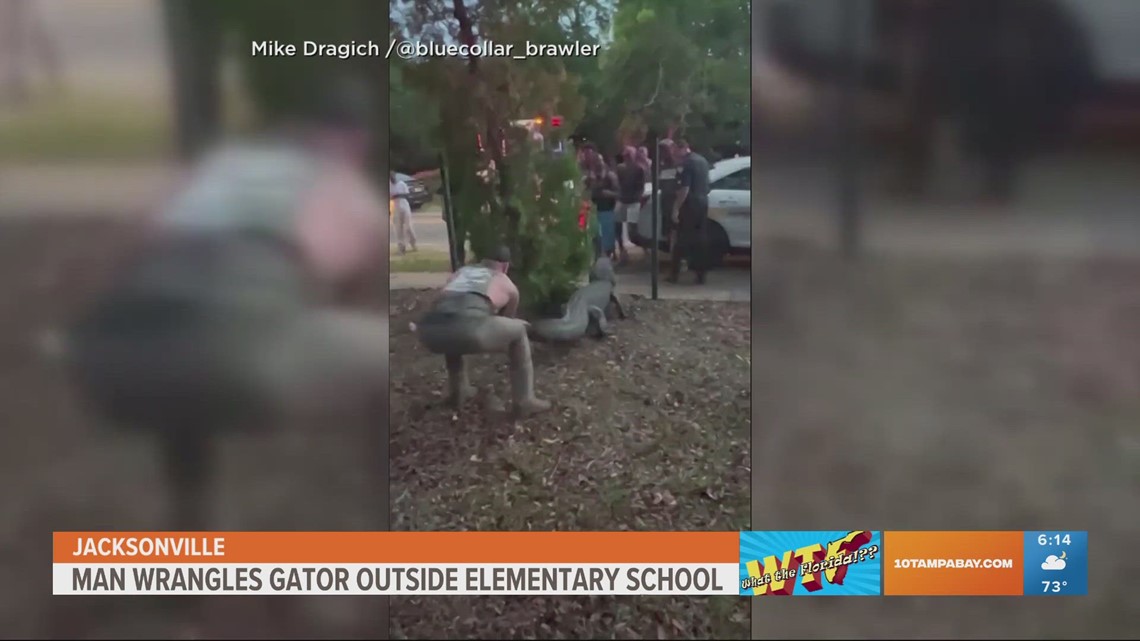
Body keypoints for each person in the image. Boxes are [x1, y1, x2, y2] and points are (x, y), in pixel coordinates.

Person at [64, 77, 390, 531]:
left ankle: (189, 523)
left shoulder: (223, 165)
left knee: (180, 359)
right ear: (356, 140)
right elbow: (344, 283)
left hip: (113, 361)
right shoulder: (343, 183)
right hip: (238, 352)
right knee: (385, 351)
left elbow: (134, 240)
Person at [412, 245, 551, 417]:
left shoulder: (461, 272)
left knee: (453, 322)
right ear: (505, 266)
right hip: (469, 329)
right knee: (519, 331)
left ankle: (458, 392)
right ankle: (525, 400)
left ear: (482, 262)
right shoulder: (505, 281)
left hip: (430, 331)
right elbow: (508, 321)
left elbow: (441, 300)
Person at [667, 139, 712, 285]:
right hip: (702, 202)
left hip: (689, 205)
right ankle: (701, 274)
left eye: (675, 152)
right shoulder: (702, 161)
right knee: (701, 239)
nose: (675, 156)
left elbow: (684, 189)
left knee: (681, 240)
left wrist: (676, 209)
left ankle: (674, 274)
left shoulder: (686, 164)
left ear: (681, 149)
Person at [614, 146, 645, 265]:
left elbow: (640, 186)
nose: (627, 157)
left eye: (629, 154)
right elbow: (618, 184)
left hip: (634, 201)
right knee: (617, 223)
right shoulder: (620, 168)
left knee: (633, 228)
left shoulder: (639, 169)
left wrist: (638, 198)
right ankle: (622, 250)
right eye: (626, 155)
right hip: (623, 199)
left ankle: (642, 249)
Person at [588, 156, 619, 261]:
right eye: (596, 162)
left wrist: (609, 193)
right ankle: (599, 255)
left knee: (608, 234)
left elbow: (618, 193)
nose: (598, 164)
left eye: (600, 161)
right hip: (595, 210)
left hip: (608, 209)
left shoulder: (610, 176)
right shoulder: (592, 178)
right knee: (597, 235)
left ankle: (609, 254)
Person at [390, 171, 417, 254]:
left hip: (404, 204)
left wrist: (397, 195)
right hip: (395, 206)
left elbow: (407, 195)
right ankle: (401, 247)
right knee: (398, 229)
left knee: (408, 226)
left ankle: (413, 243)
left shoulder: (401, 184)